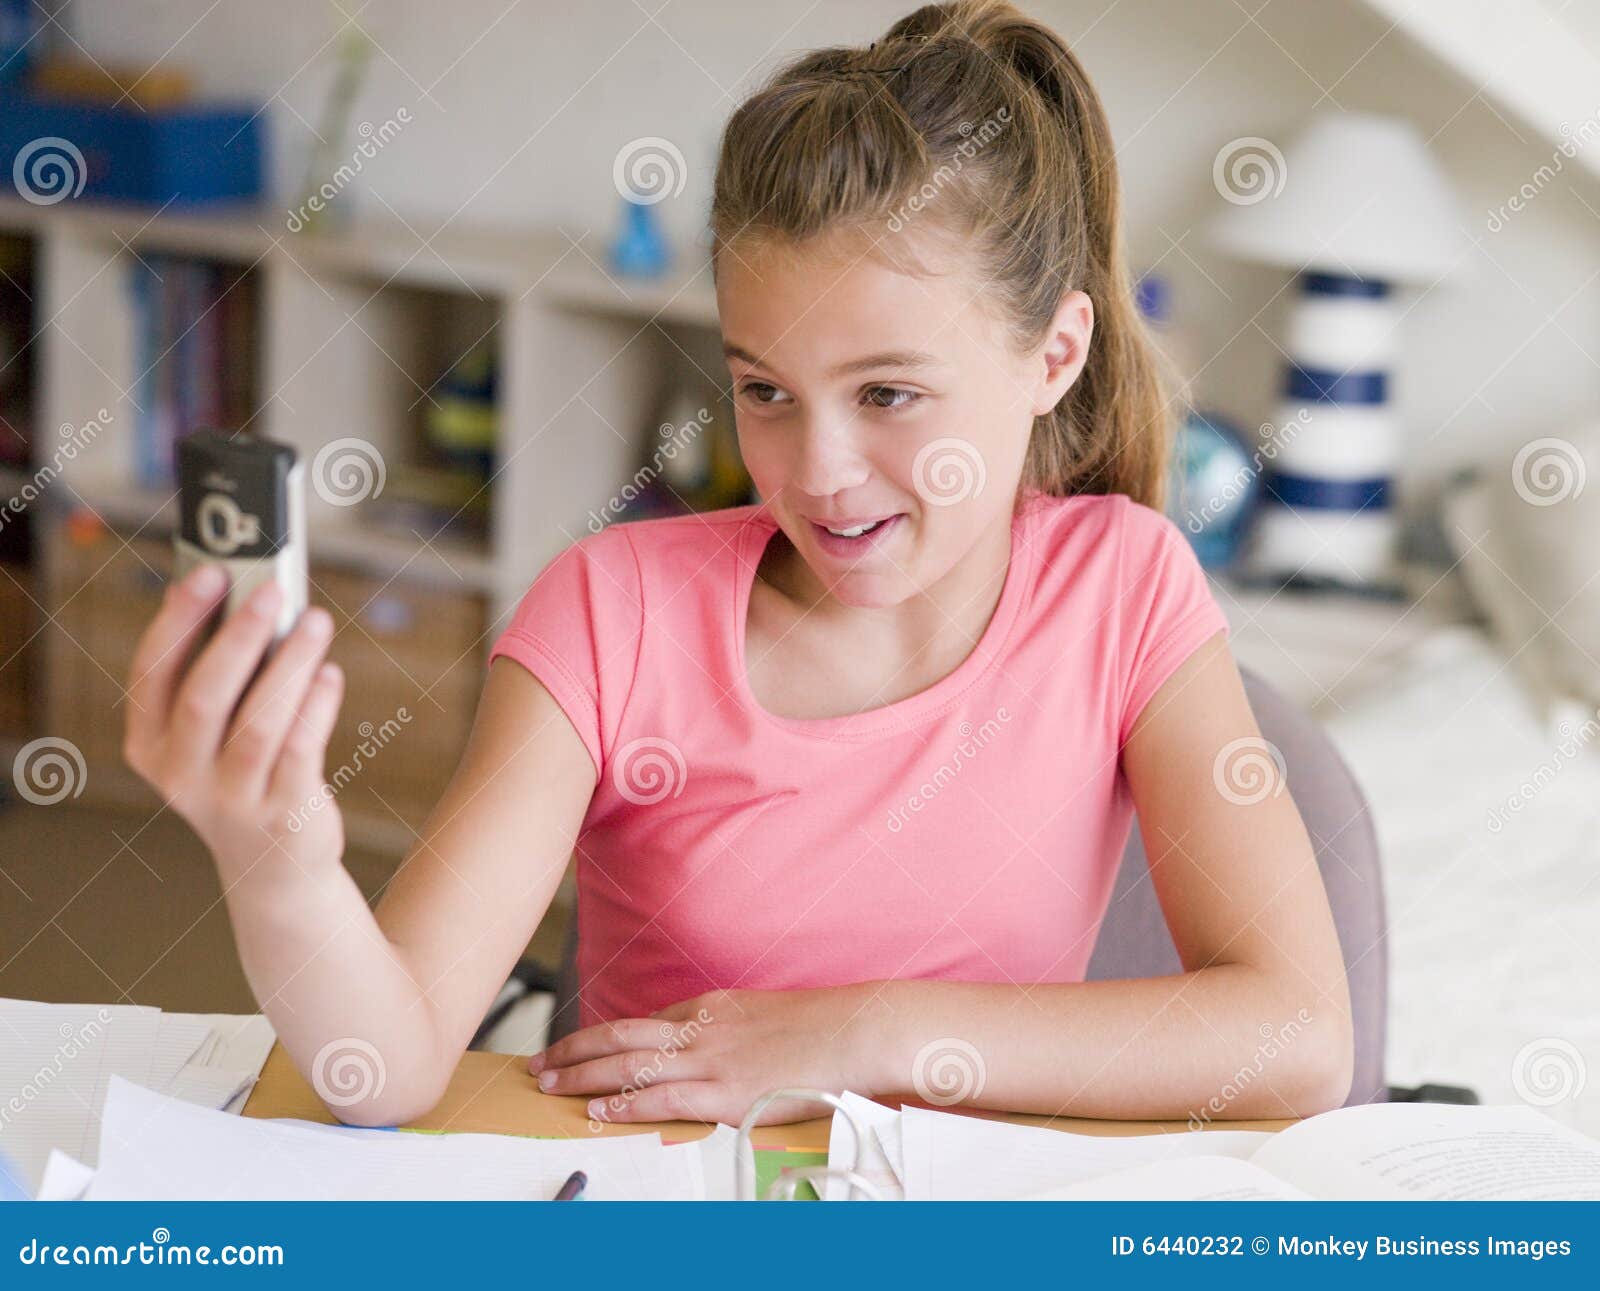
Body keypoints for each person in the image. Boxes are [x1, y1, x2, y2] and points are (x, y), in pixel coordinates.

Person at [124, 0, 1352, 1129]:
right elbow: (377, 1070)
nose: (816, 471)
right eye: (763, 388)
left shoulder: (1125, 589)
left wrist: (858, 1032)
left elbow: (1297, 1035)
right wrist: (275, 851)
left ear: (1052, 355)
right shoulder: (611, 614)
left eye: (887, 393)